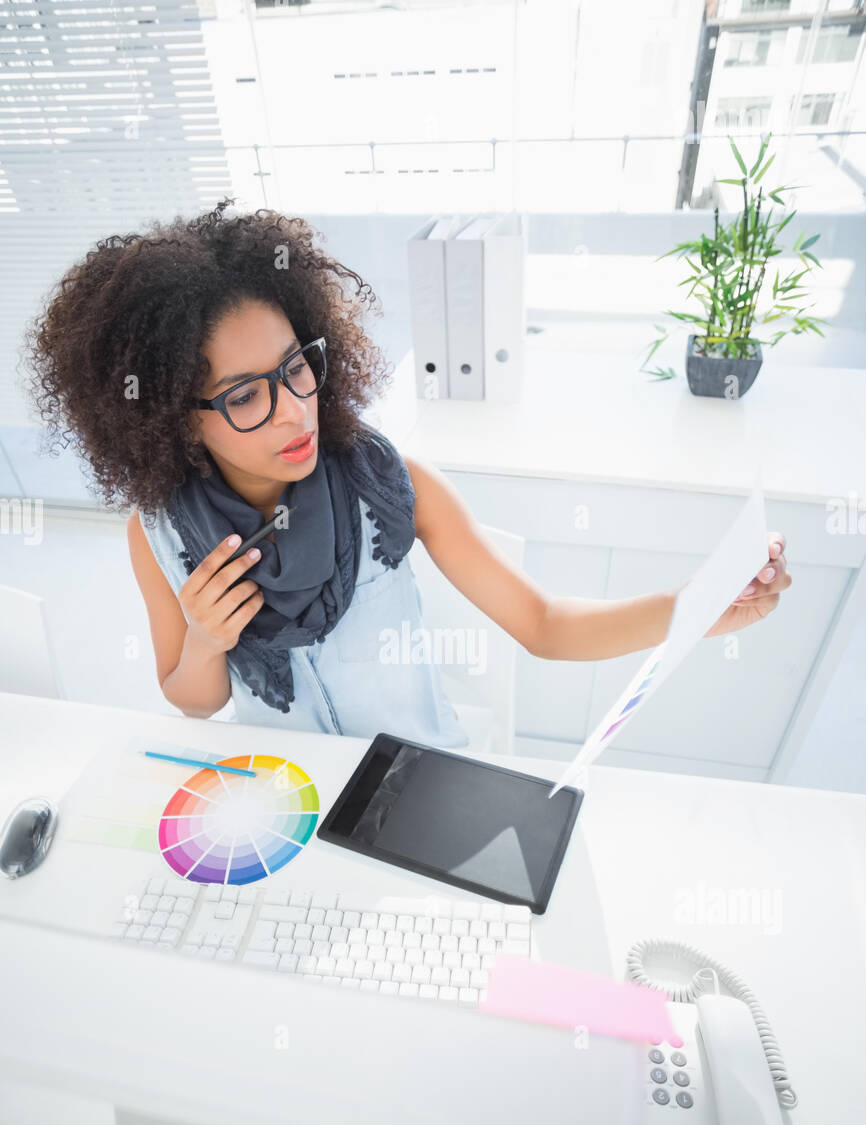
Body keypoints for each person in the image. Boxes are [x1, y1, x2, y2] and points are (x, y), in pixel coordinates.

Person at [25, 200, 791, 746]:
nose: (296, 411)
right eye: (246, 396)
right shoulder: (155, 533)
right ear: (171, 414)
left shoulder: (392, 487)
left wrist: (695, 607)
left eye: (297, 370)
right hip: (285, 795)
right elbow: (194, 703)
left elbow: (545, 626)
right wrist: (201, 640)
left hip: (412, 784)